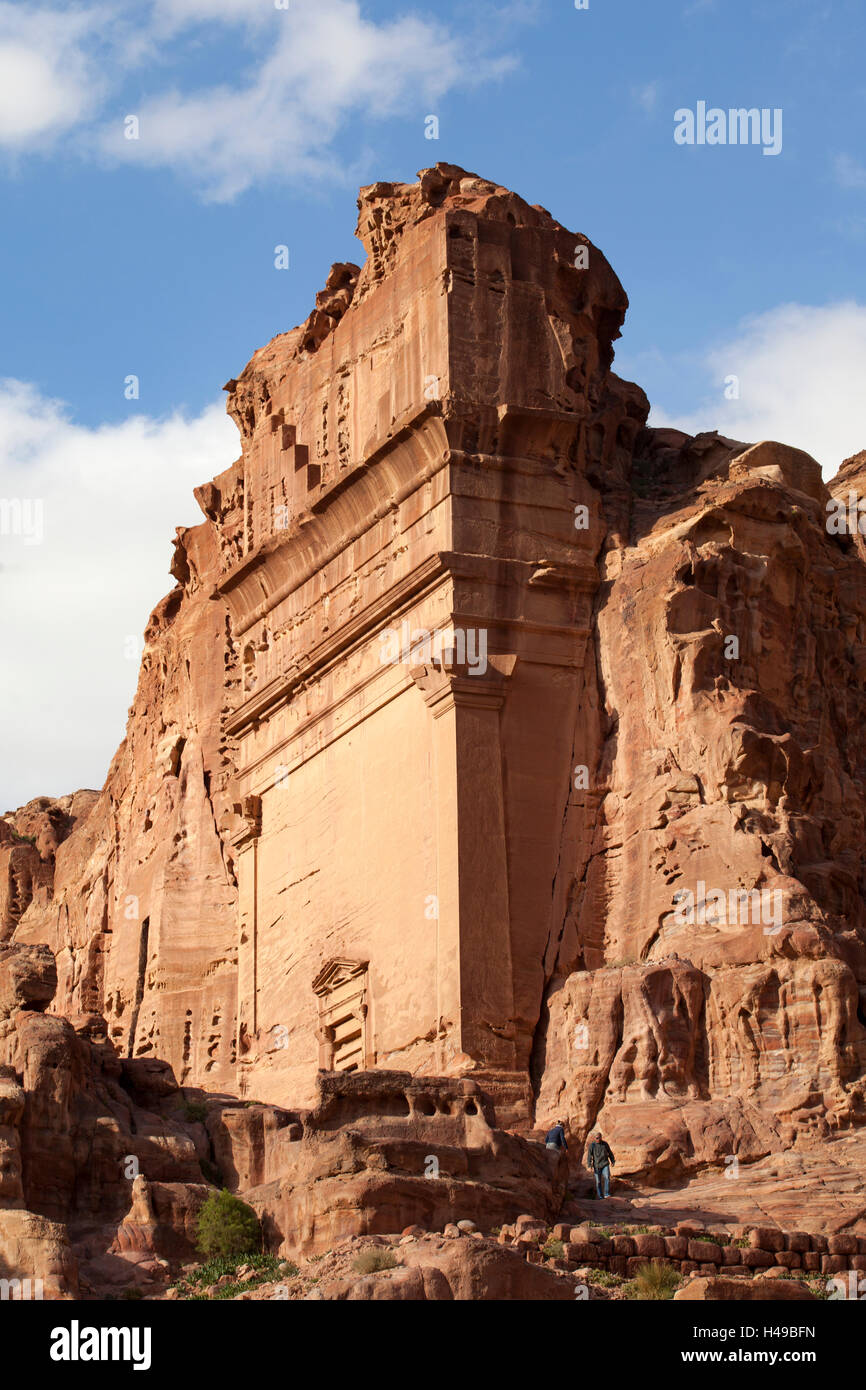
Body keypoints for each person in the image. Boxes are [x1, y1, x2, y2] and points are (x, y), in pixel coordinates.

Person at [586, 1131, 615, 1198]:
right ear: (594, 1138)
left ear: (601, 1137)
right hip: (597, 1166)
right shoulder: (592, 1145)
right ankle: (600, 1196)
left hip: (605, 1164)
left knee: (607, 1177)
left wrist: (612, 1160)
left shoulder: (605, 1144)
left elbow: (610, 1153)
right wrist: (589, 1164)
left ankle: (606, 1193)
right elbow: (589, 1155)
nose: (598, 1139)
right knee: (598, 1181)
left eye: (599, 1138)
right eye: (596, 1138)